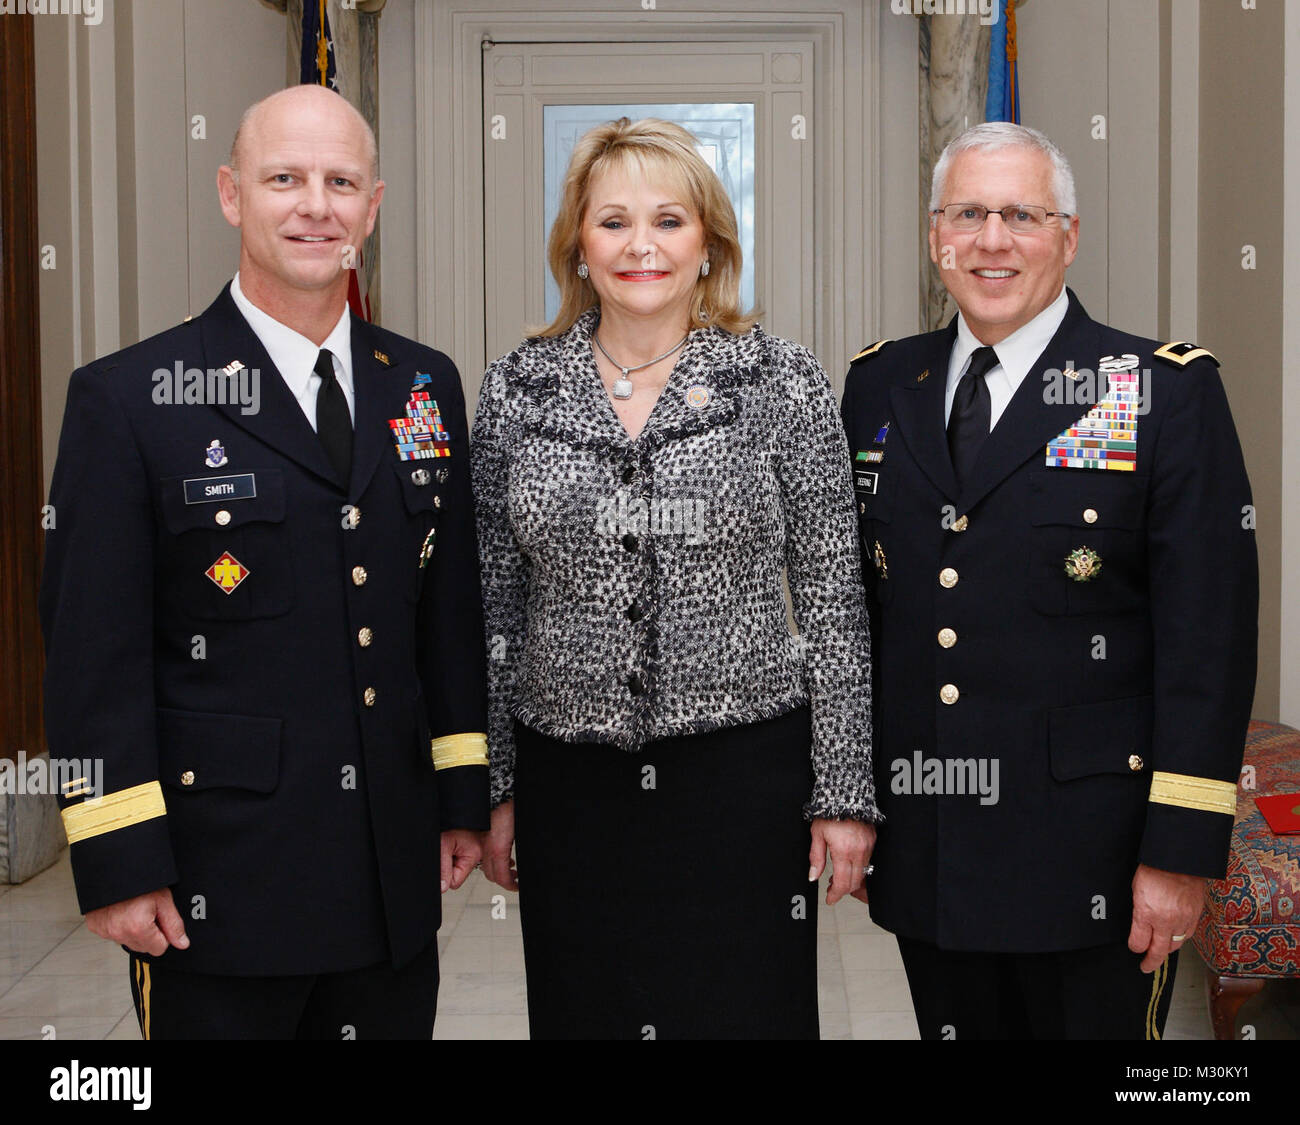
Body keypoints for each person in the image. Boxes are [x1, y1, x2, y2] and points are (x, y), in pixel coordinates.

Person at [39, 84, 489, 1040]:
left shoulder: (421, 382)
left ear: (372, 206)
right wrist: (120, 857)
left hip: (386, 882)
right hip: (221, 888)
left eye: (340, 182)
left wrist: (459, 798)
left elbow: (445, 616)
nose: (314, 206)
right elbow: (93, 656)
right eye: (284, 178)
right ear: (232, 192)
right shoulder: (131, 399)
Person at [841, 122, 1258, 1040]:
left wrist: (1179, 854)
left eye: (1023, 215)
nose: (993, 241)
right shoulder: (879, 386)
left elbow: (1209, 647)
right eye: (969, 213)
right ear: (934, 233)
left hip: (1091, 858)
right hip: (933, 848)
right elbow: (866, 621)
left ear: (1069, 237)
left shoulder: (1158, 391)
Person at [471, 117, 877, 1040]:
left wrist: (844, 794)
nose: (640, 245)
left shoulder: (780, 380)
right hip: (569, 783)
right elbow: (492, 600)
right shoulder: (516, 389)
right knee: (589, 1013)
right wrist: (493, 787)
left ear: (710, 244)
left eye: (670, 220)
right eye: (612, 221)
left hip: (741, 785)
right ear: (577, 242)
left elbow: (832, 600)